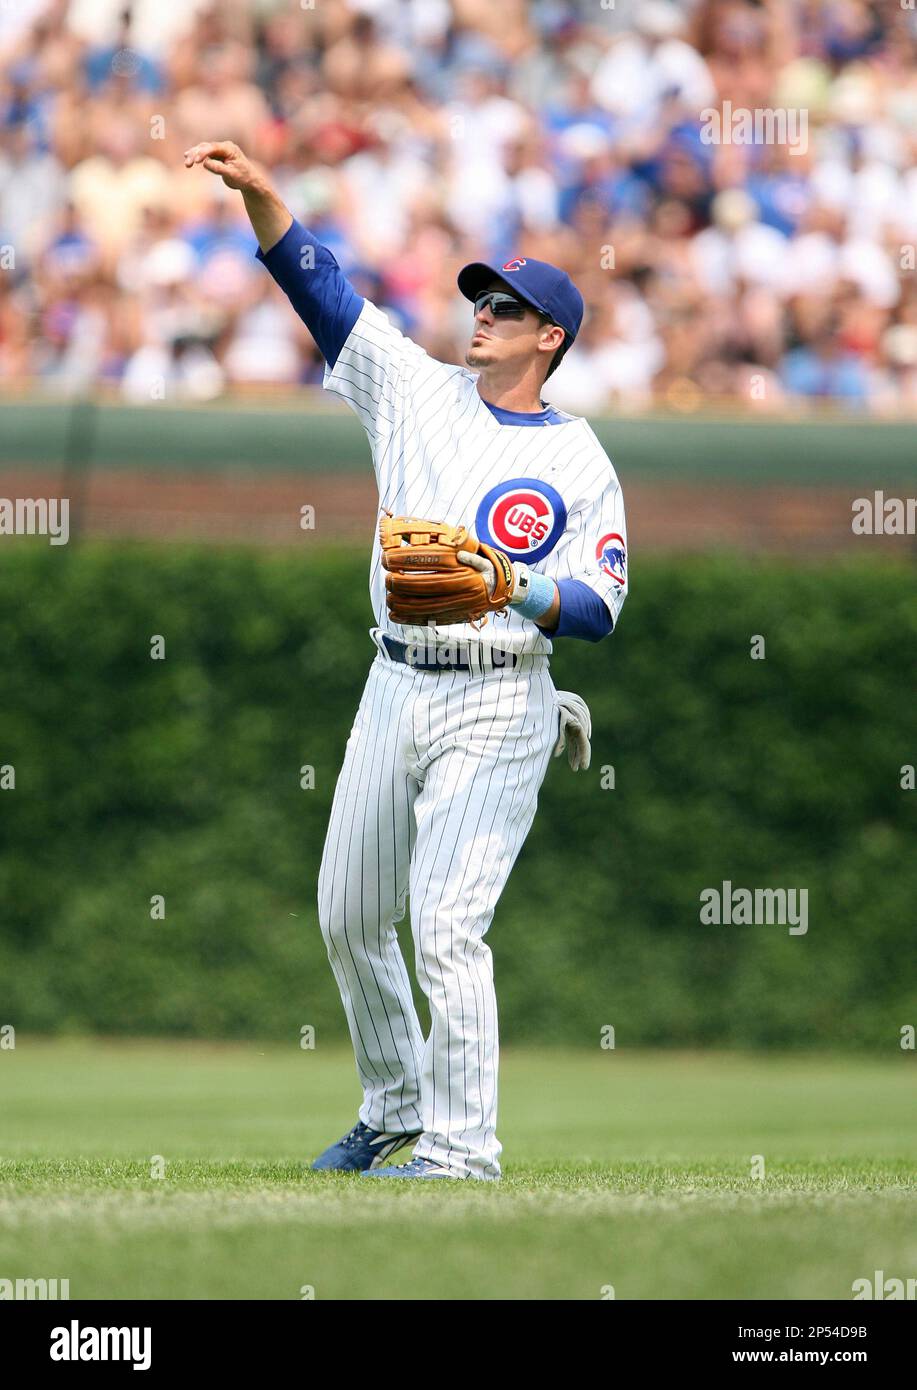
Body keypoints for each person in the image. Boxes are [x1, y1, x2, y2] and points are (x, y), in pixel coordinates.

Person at [184, 139, 629, 1180]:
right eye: (481, 298)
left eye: (506, 308)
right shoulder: (414, 390)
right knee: (347, 912)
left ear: (547, 338)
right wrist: (265, 201)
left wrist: (511, 586)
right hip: (393, 680)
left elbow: (601, 605)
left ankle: (462, 1152)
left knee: (443, 924)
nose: (483, 312)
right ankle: (392, 1105)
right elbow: (319, 289)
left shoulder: (575, 457)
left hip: (498, 696)